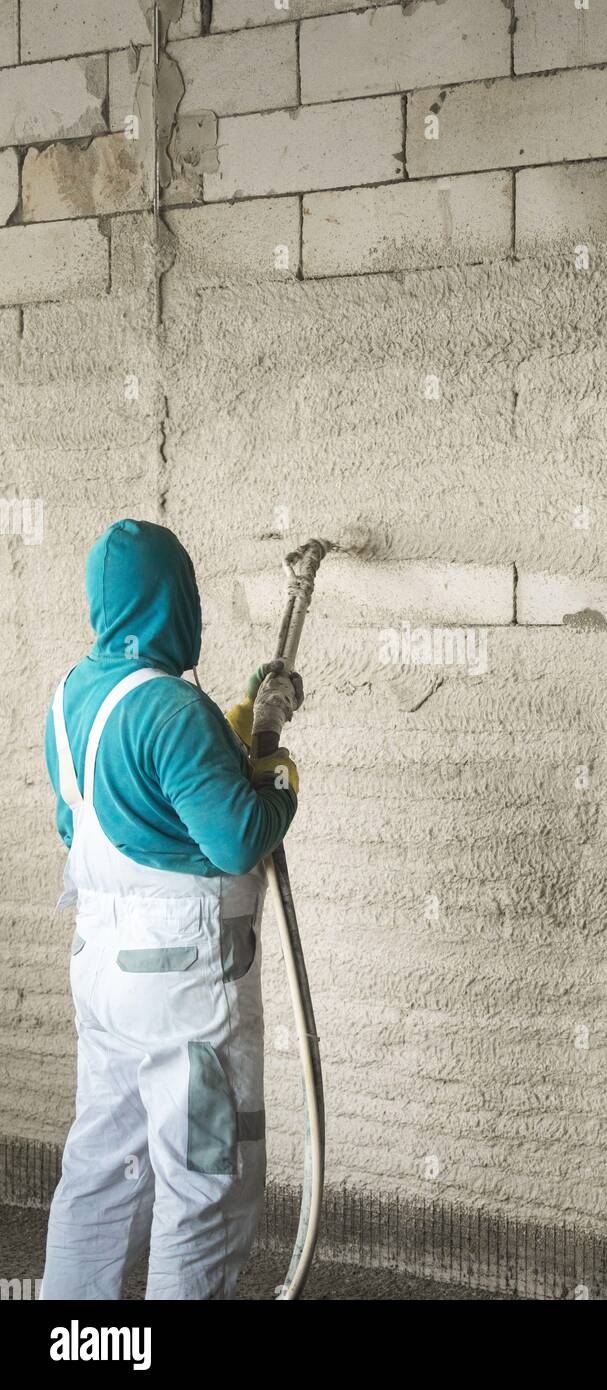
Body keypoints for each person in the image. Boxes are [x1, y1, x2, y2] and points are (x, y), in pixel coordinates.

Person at [40, 518, 301, 1300]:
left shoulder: (69, 697)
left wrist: (243, 718)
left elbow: (114, 811)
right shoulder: (169, 711)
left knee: (102, 1168)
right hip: (184, 989)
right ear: (169, 599)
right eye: (189, 591)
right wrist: (275, 758)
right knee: (202, 1182)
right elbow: (238, 837)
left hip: (104, 977)